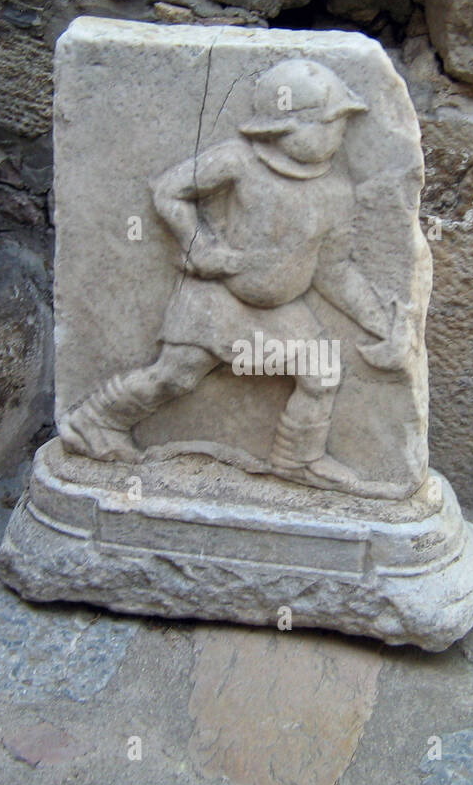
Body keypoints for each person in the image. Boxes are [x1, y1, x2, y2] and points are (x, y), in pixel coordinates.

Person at [60, 58, 416, 495]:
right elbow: (170, 190)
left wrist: (379, 321)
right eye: (330, 123)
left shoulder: (337, 192)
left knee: (322, 373)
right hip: (216, 300)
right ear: (282, 128)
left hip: (282, 309)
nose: (340, 134)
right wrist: (198, 245)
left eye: (342, 124)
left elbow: (334, 271)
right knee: (176, 375)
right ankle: (92, 422)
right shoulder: (238, 161)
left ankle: (298, 459)